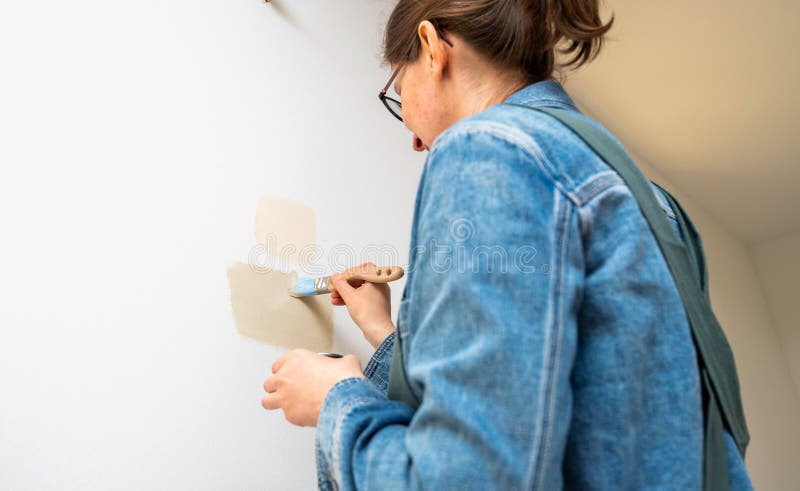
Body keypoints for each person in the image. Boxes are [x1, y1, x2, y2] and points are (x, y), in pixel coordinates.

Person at [261, 1, 755, 489]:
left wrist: (336, 401)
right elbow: (559, 402)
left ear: (433, 49)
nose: (412, 139)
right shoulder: (653, 203)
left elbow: (470, 478)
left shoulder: (488, 148)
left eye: (398, 92)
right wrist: (382, 332)